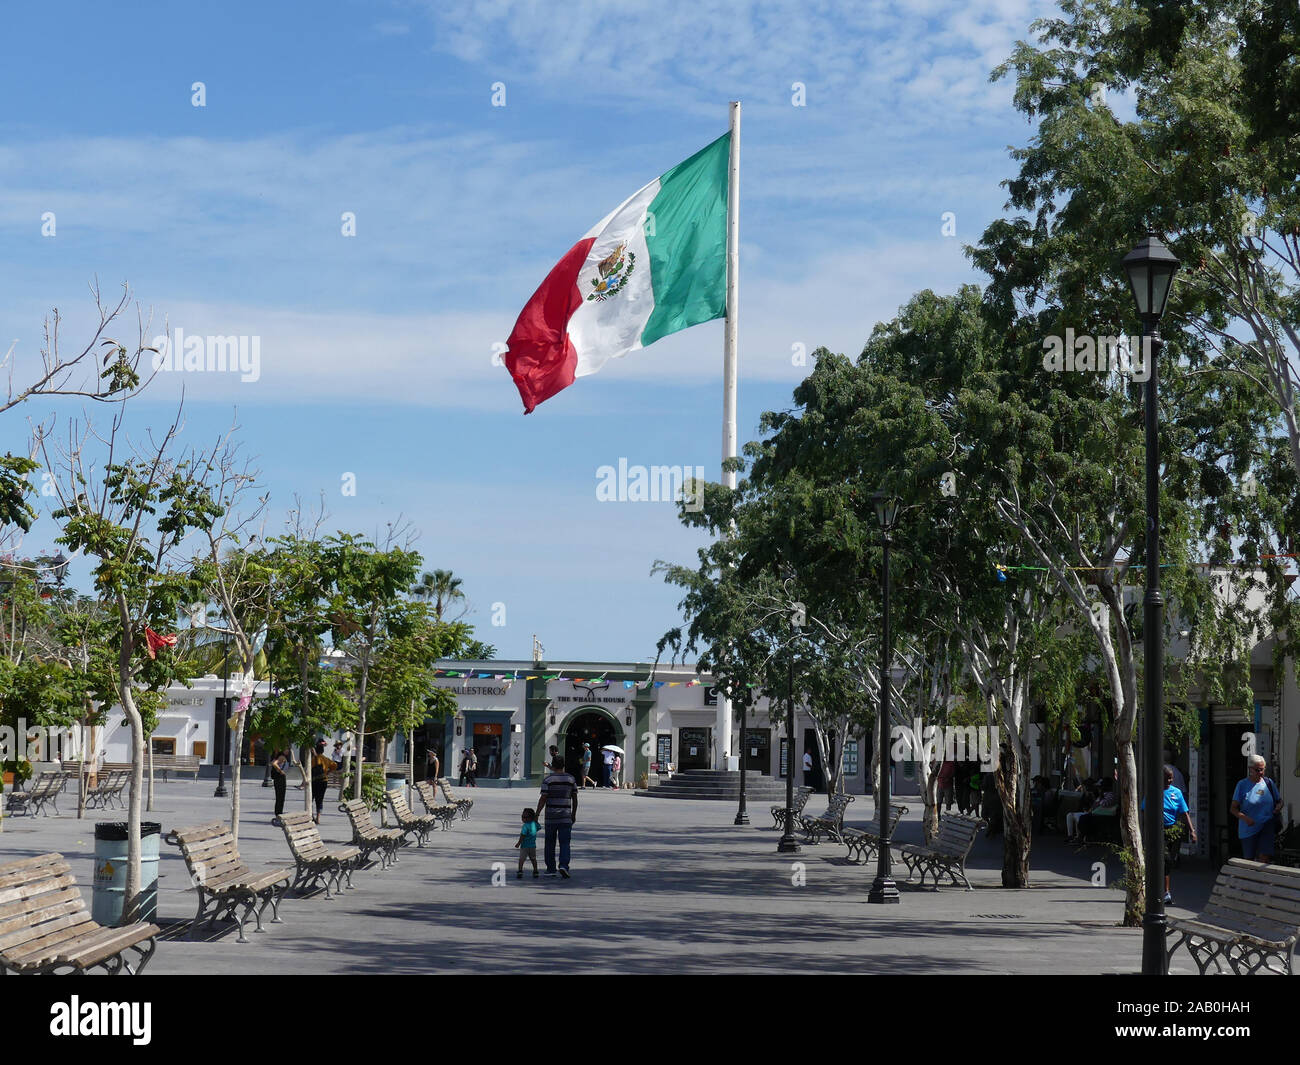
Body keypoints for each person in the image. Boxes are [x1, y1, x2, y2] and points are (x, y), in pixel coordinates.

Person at [1142, 766, 1197, 904]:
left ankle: (1164, 891)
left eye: (1171, 778)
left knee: (1169, 861)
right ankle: (1164, 891)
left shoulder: (1176, 793)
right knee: (1164, 859)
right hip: (1158, 830)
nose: (1169, 780)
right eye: (1166, 778)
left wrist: (1192, 831)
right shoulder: (1153, 792)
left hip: (1173, 830)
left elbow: (1184, 812)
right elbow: (1144, 810)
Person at [1232, 754, 1283, 862]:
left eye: (1262, 769)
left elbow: (1280, 801)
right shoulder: (1242, 785)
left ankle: (1262, 878)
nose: (1261, 772)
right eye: (1258, 770)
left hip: (1266, 824)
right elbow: (1233, 809)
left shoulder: (1268, 783)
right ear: (1250, 769)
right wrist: (1245, 818)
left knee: (1265, 857)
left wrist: (1278, 807)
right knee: (1249, 861)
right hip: (1249, 828)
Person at [536, 756, 578, 878]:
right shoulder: (571, 779)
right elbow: (575, 799)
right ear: (563, 765)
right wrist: (573, 814)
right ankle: (564, 865)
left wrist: (537, 814)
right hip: (566, 816)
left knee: (549, 842)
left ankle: (550, 868)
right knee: (565, 842)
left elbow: (543, 798)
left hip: (551, 816)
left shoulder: (548, 780)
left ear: (553, 765)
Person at [310, 739, 338, 824]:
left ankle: (311, 815)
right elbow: (335, 765)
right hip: (324, 780)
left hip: (315, 781)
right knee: (320, 799)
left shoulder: (313, 759)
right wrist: (327, 772)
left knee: (311, 799)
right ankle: (318, 817)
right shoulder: (326, 759)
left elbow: (310, 769)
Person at [515, 807, 540, 878]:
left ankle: (520, 870)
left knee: (522, 859)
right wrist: (535, 820)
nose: (523, 818)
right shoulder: (533, 825)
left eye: (525, 817)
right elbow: (538, 827)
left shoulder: (525, 826)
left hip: (524, 846)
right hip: (533, 846)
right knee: (533, 859)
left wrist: (518, 843)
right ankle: (535, 871)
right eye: (522, 816)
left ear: (530, 818)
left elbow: (523, 835)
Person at [270, 749, 290, 826]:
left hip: (278, 779)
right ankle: (279, 815)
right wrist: (280, 771)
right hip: (280, 778)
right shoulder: (282, 757)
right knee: (280, 798)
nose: (288, 751)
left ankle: (278, 814)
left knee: (279, 798)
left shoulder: (280, 756)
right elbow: (274, 763)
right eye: (287, 749)